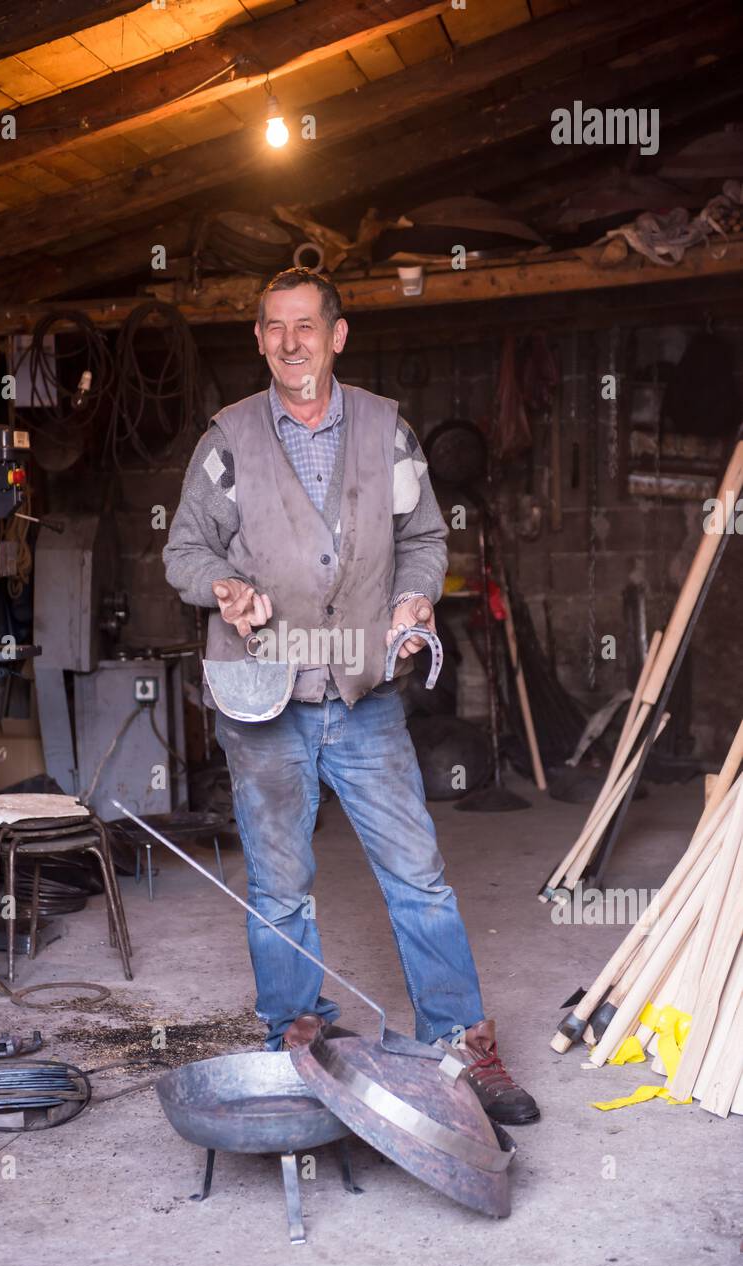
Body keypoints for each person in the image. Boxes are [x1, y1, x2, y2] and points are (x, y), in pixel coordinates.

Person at [163, 268, 539, 1125]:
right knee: (280, 884)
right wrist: (220, 584)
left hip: (362, 690)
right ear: (258, 340)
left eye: (306, 325)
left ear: (337, 335)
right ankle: (298, 1042)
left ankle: (459, 1047)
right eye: (273, 327)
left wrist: (413, 597)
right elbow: (182, 551)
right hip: (262, 692)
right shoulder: (227, 439)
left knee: (419, 876)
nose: (290, 341)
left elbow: (422, 537)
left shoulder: (385, 429)